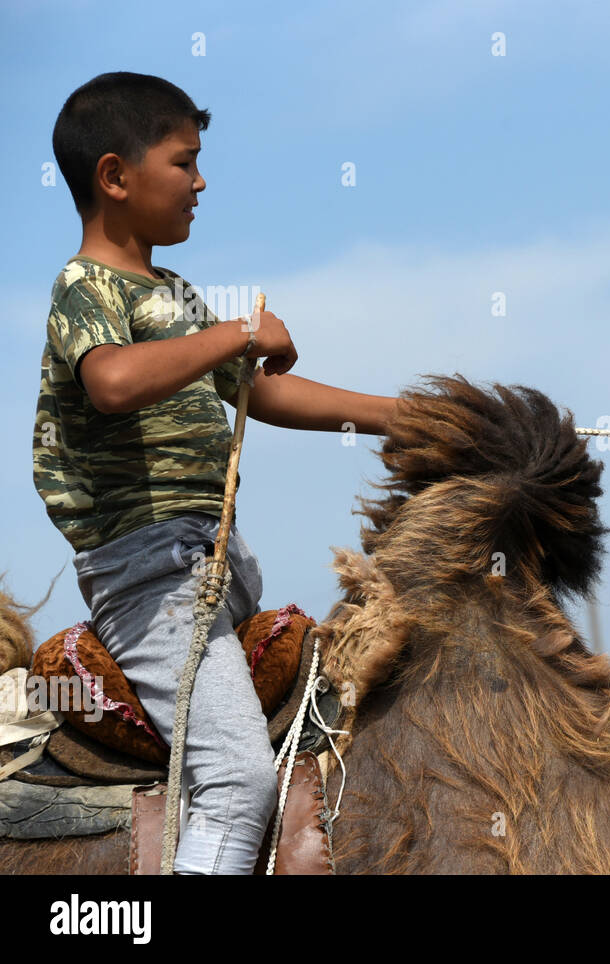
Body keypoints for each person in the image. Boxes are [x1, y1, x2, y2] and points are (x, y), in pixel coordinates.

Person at [33, 71, 399, 874]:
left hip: (216, 567)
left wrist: (398, 417)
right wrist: (238, 331)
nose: (201, 183)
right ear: (115, 177)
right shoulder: (83, 287)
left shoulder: (174, 298)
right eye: (184, 162)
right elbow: (115, 382)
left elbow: (260, 394)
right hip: (149, 581)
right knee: (237, 783)